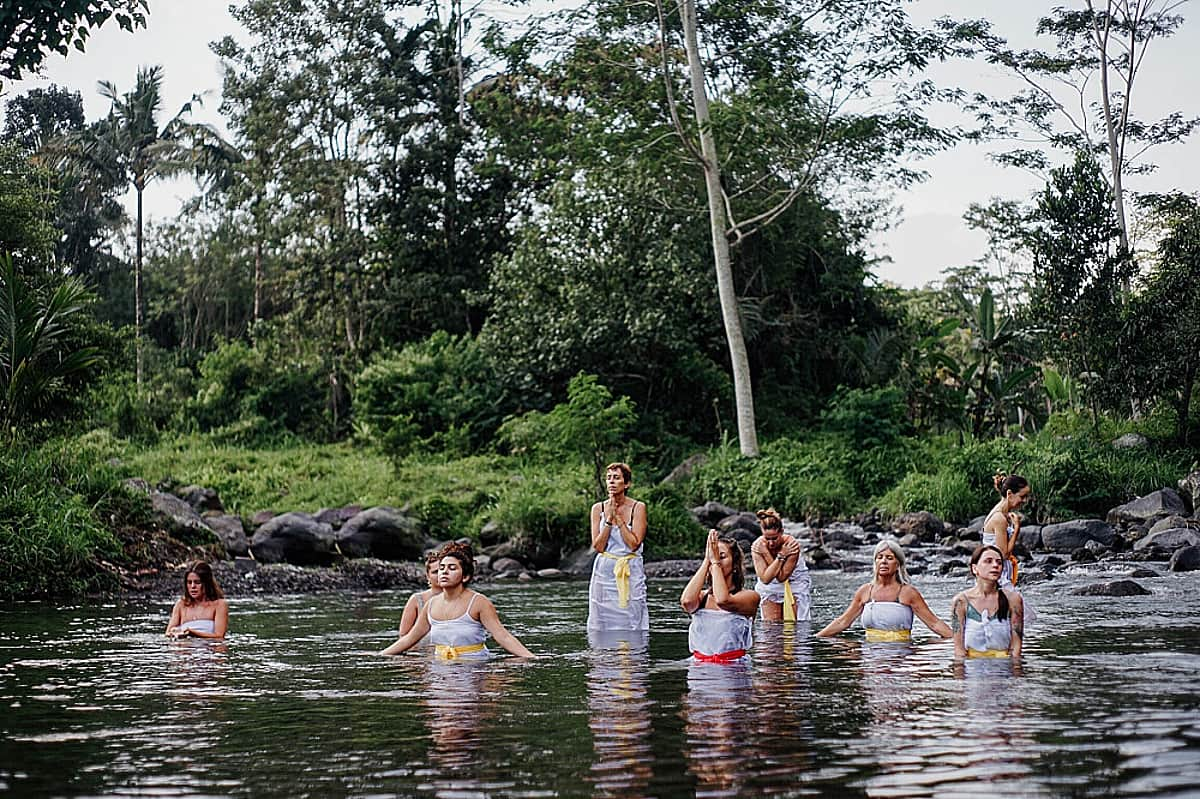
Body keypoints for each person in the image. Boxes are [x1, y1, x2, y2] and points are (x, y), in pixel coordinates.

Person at [378, 542, 535, 659]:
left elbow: (503, 636)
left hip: (474, 668)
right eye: (441, 568)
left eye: (452, 568)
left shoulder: (479, 602)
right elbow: (409, 638)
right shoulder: (431, 604)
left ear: (465, 576)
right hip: (439, 669)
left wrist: (531, 658)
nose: (444, 572)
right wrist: (379, 656)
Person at [816, 539, 953, 641]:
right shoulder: (865, 591)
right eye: (880, 557)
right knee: (845, 646)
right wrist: (816, 638)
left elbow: (934, 623)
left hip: (900, 654)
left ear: (897, 564)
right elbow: (843, 621)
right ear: (875, 562)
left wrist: (957, 640)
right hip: (870, 654)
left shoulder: (907, 592)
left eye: (889, 558)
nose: (883, 562)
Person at [587, 462, 649, 633]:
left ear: (626, 483)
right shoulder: (597, 508)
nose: (611, 482)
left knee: (632, 613)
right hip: (604, 570)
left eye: (616, 478)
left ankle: (633, 653)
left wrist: (619, 520)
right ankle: (604, 656)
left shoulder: (638, 507)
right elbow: (598, 546)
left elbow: (634, 544)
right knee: (601, 619)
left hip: (630, 567)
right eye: (608, 478)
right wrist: (608, 520)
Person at [680, 530, 760, 662]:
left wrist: (715, 563)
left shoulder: (749, 597)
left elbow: (723, 601)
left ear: (734, 564)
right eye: (714, 556)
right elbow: (687, 602)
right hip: (700, 671)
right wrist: (707, 561)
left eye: (721, 556)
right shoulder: (702, 597)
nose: (715, 559)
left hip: (734, 668)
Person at [951, 545, 1024, 659]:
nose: (995, 565)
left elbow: (1016, 646)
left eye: (999, 563)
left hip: (1003, 668)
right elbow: (959, 650)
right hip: (972, 668)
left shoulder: (1013, 599)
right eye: (988, 561)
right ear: (975, 568)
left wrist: (1015, 673)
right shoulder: (961, 601)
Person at [750, 508, 811, 621]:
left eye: (774, 538)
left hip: (794, 582)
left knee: (795, 627)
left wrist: (777, 556)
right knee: (772, 628)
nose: (771, 543)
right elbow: (765, 579)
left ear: (781, 532)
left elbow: (782, 577)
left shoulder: (791, 545)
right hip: (770, 584)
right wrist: (776, 555)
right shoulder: (758, 546)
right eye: (767, 538)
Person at [983, 473, 1031, 588]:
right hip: (998, 576)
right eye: (1022, 496)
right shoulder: (999, 518)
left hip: (1000, 572)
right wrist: (1016, 529)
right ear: (1009, 494)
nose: (1025, 501)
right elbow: (1003, 554)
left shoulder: (1003, 513)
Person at [165, 561, 229, 639]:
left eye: (197, 582)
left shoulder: (219, 605)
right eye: (189, 582)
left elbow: (219, 636)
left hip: (209, 649)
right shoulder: (181, 605)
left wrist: (193, 633)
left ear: (206, 583)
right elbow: (168, 633)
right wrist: (174, 632)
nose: (193, 586)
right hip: (186, 649)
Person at [398, 550, 444, 636]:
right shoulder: (416, 600)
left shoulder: (462, 599)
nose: (440, 575)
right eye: (435, 572)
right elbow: (403, 635)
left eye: (442, 570)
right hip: (420, 648)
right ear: (428, 576)